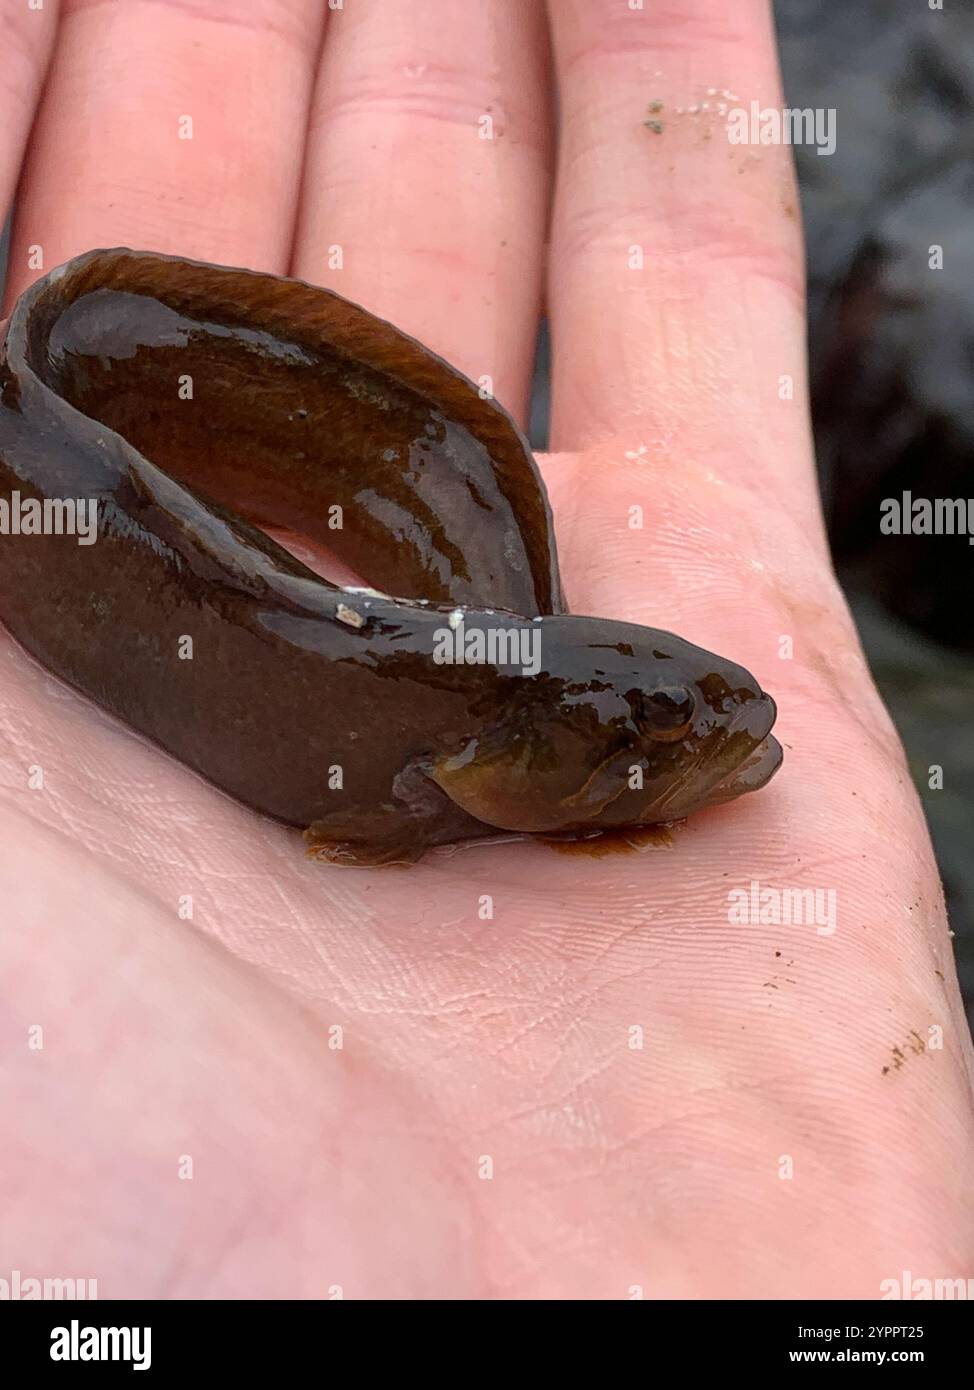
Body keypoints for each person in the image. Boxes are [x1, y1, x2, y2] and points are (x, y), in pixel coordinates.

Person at [1, 0, 971, 1299]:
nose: (719, 753)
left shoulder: (459, 723)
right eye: (646, 741)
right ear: (487, 748)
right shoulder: (438, 742)